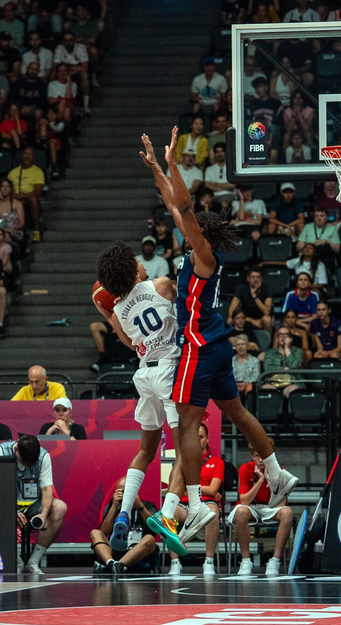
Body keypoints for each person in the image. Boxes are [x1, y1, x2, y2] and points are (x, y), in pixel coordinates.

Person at [141, 127, 297, 551]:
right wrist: (157, 168)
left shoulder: (205, 255)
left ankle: (192, 505)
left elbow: (185, 206)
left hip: (200, 346)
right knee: (238, 413)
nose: (183, 227)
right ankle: (277, 469)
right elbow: (175, 205)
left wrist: (175, 165)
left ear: (200, 234)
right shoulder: (196, 251)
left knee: (187, 423)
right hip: (218, 345)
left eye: (190, 229)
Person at [94, 241, 191, 554]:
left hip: (144, 375)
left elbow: (128, 342)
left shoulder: (120, 310)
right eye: (137, 261)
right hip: (168, 368)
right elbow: (189, 301)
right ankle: (168, 514)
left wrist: (105, 310)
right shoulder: (161, 284)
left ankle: (123, 512)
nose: (143, 263)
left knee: (146, 450)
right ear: (134, 272)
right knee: (185, 446)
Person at [0, 433, 68, 574]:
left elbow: (46, 489)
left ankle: (33, 562)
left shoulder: (43, 456)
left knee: (60, 507)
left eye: (32, 463)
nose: (29, 466)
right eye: (25, 462)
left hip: (33, 504)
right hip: (7, 503)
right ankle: (16, 560)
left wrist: (43, 515)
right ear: (16, 450)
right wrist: (11, 510)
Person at [230, 438, 293, 576]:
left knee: (287, 513)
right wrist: (260, 481)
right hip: (251, 507)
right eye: (257, 456)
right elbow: (244, 501)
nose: (261, 460)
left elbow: (281, 504)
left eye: (265, 456)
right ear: (252, 456)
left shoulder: (279, 471)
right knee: (241, 511)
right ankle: (246, 561)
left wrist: (271, 480)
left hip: (270, 507)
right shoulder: (245, 469)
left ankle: (275, 560)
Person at [168, 423, 224, 576]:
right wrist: (203, 489)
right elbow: (173, 489)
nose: (197, 440)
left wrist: (186, 488)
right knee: (167, 515)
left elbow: (213, 490)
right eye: (193, 437)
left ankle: (208, 562)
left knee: (212, 515)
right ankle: (175, 563)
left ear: (207, 439)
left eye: (200, 437)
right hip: (184, 505)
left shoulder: (217, 462)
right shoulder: (180, 463)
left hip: (206, 503)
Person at [91, 477, 159, 574]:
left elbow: (155, 528)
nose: (123, 495)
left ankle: (119, 565)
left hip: (138, 550)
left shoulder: (147, 505)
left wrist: (139, 506)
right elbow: (104, 532)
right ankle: (111, 564)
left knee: (150, 539)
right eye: (120, 492)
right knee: (95, 533)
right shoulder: (113, 505)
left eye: (126, 491)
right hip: (115, 549)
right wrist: (114, 506)